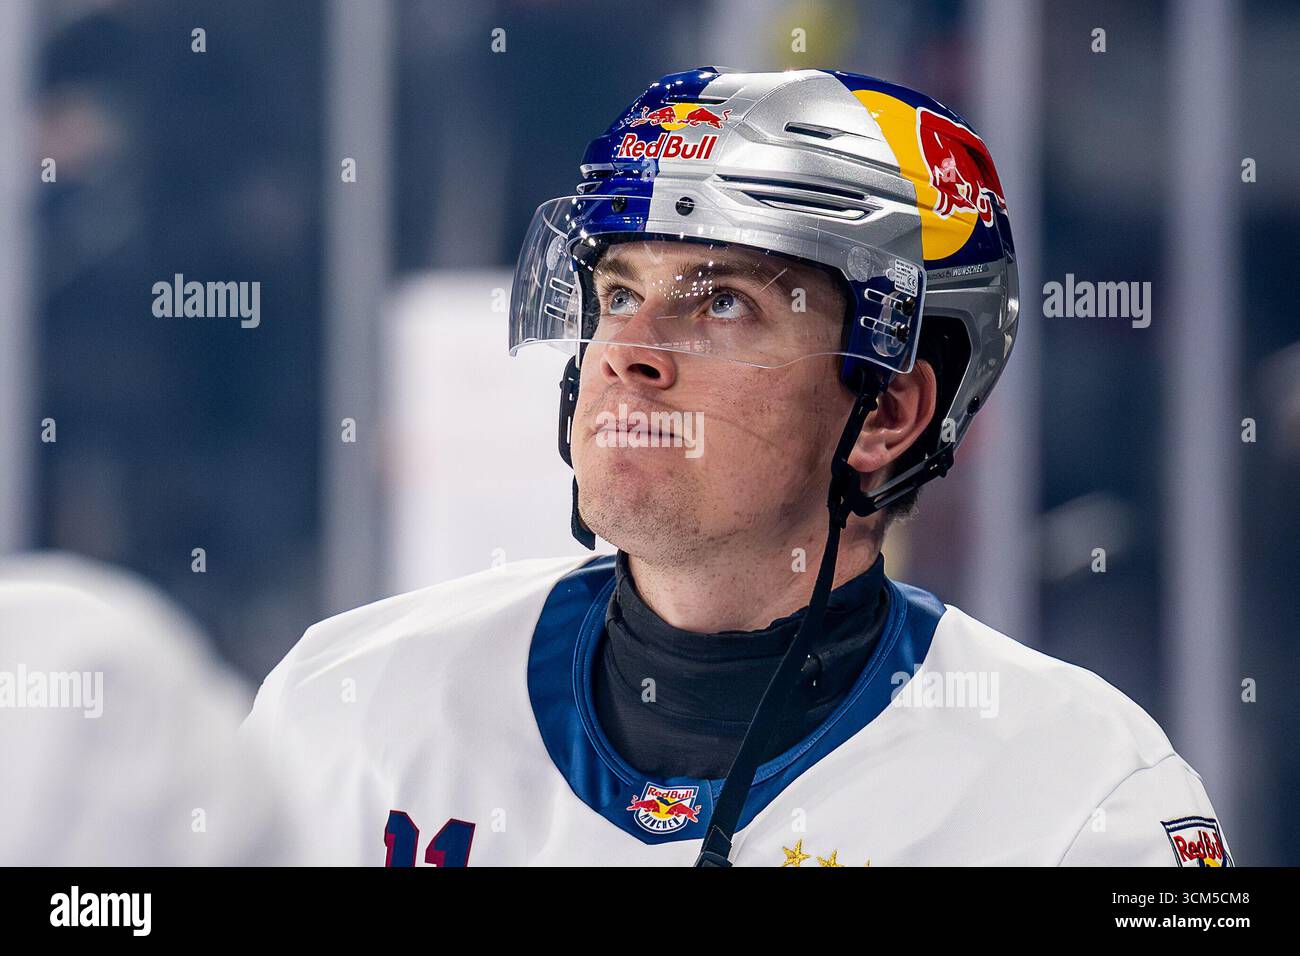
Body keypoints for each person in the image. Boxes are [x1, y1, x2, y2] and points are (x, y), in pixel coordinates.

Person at [244, 68, 1231, 867]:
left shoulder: (1089, 801)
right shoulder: (347, 703)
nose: (627, 348)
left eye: (722, 304)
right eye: (617, 288)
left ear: (887, 410)